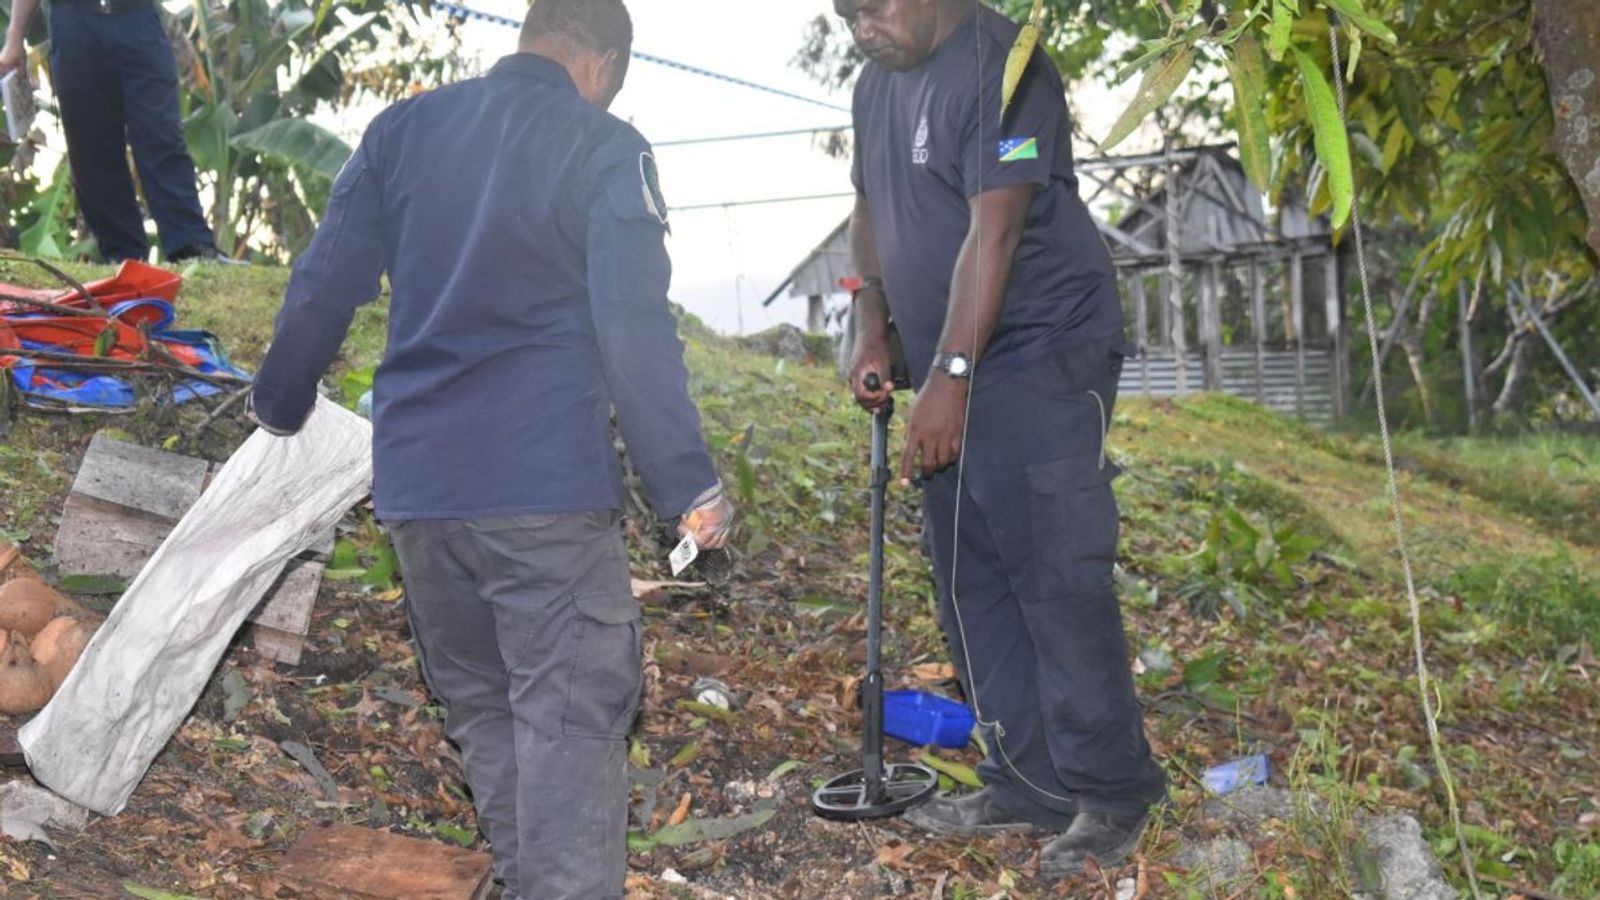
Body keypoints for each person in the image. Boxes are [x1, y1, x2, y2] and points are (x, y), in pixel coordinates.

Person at [245, 1, 733, 897]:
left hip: (421, 495)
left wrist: (277, 403)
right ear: (604, 63)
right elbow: (632, 327)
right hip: (542, 489)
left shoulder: (402, 131)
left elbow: (323, 284)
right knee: (569, 723)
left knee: (487, 709)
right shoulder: (604, 146)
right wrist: (687, 484)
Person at [834, 0, 1167, 878]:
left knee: (1056, 574)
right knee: (969, 578)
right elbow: (868, 209)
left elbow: (999, 225)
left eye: (873, 6)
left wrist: (949, 378)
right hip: (945, 360)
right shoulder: (875, 86)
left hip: (1041, 351)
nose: (861, 27)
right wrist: (872, 325)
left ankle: (1111, 791)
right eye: (845, 13)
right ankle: (1026, 781)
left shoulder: (1006, 67)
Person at [1, 0, 228, 262]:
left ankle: (191, 247)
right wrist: (14, 38)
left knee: (161, 135)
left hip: (137, 17)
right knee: (91, 149)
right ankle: (124, 257)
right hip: (73, 22)